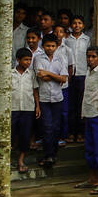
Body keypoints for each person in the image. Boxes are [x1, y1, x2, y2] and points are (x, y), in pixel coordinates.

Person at [34, 33, 69, 166]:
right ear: (43, 46)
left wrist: (48, 73)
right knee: (47, 127)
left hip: (57, 98)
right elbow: (41, 77)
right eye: (48, 45)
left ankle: (53, 155)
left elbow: (64, 79)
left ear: (56, 46)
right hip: (43, 98)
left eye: (53, 46)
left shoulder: (60, 59)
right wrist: (56, 76)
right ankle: (48, 155)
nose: (50, 48)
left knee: (55, 127)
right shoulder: (38, 59)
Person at [79, 47, 98, 195]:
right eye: (88, 56)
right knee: (90, 148)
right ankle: (93, 178)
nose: (90, 59)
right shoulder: (89, 72)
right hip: (89, 114)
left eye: (93, 57)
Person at [9, 48, 40, 174]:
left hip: (28, 108)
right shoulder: (10, 73)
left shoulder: (31, 74)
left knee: (25, 135)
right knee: (10, 134)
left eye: (29, 60)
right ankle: (9, 160)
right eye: (25, 59)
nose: (28, 62)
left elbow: (35, 90)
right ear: (18, 60)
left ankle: (21, 160)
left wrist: (37, 106)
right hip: (13, 108)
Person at [66, 14, 90, 141]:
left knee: (81, 105)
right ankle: (71, 132)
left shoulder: (87, 39)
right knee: (71, 106)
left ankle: (80, 133)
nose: (77, 25)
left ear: (83, 25)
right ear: (71, 25)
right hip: (70, 76)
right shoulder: (66, 40)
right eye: (74, 23)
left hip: (82, 75)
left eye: (79, 23)